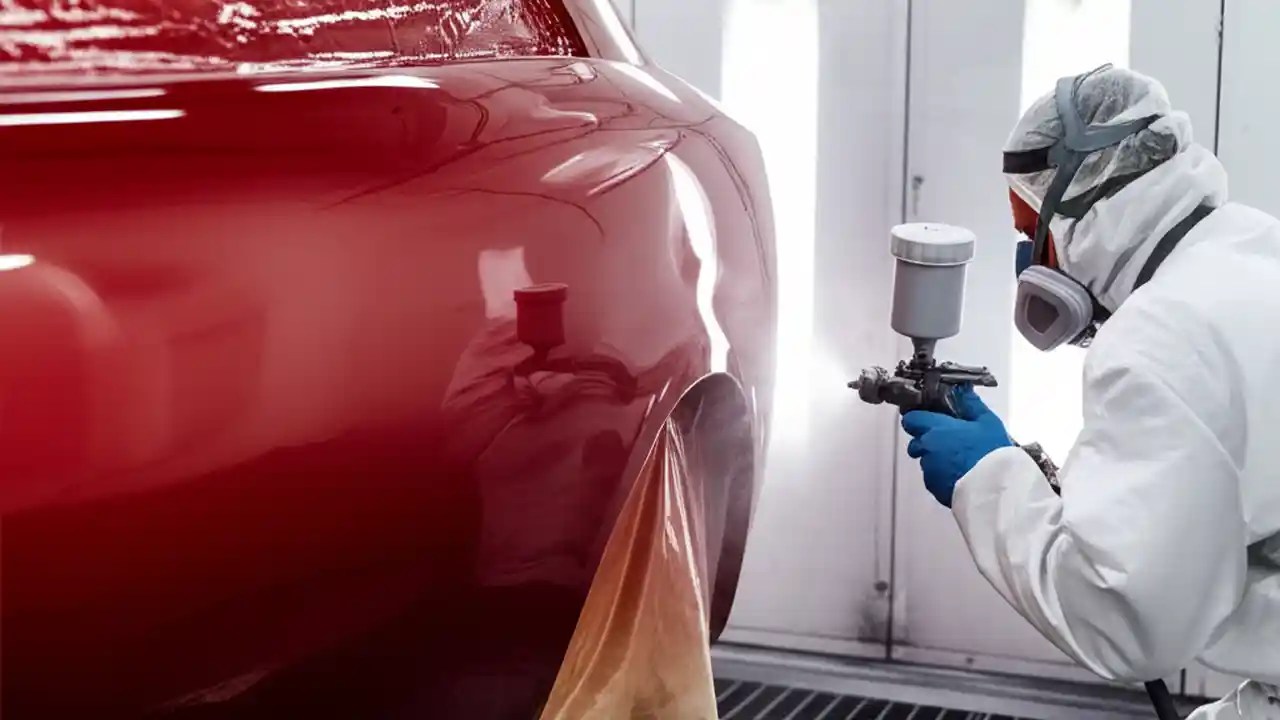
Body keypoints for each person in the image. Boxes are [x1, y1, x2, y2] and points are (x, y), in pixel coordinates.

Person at [900, 65, 1280, 719]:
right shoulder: (1251, 249)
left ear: (1088, 207)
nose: (1031, 262)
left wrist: (988, 481)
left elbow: (1125, 623)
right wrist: (1066, 493)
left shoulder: (1160, 332)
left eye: (1031, 234)